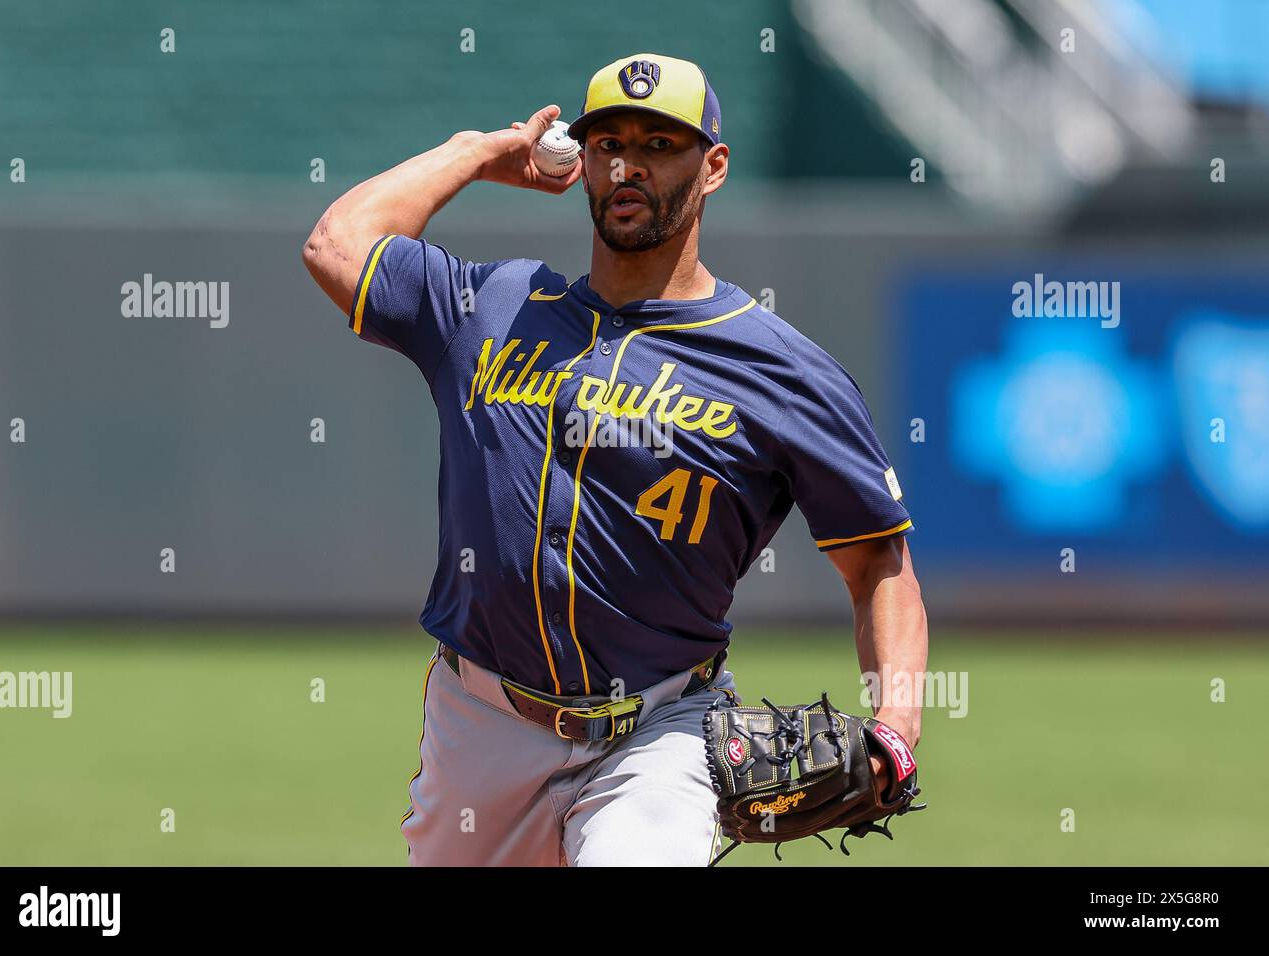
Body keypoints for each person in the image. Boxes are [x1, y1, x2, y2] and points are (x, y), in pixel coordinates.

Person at [302, 53, 928, 866]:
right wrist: (474, 155)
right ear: (583, 160)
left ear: (713, 167)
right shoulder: (494, 307)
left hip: (660, 732)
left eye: (660, 144)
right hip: (479, 728)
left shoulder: (783, 371)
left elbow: (879, 561)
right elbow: (336, 245)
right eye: (608, 143)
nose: (628, 164)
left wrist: (895, 728)